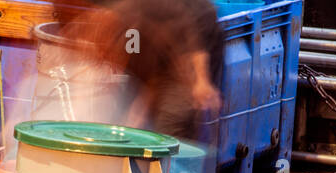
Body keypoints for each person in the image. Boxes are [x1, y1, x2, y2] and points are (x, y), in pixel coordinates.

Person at [58, 0, 223, 142]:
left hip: (200, 39)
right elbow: (150, 79)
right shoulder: (134, 46)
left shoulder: (136, 11)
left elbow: (189, 34)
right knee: (140, 125)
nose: (104, 59)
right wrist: (136, 115)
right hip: (168, 57)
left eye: (103, 55)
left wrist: (202, 80)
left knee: (171, 123)